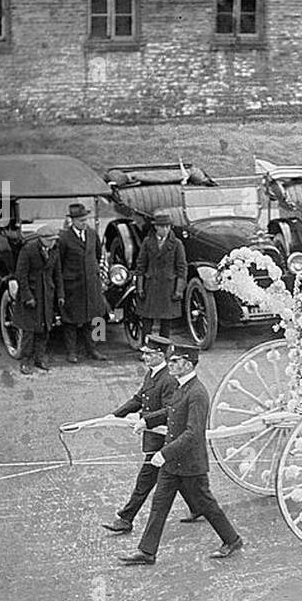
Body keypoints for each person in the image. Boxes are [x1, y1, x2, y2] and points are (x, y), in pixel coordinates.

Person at [118, 346, 243, 565]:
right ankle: (147, 552)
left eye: (175, 361)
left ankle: (232, 540)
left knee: (207, 504)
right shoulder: (182, 387)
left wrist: (164, 453)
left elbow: (194, 434)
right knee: (159, 505)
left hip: (190, 464)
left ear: (188, 363)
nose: (171, 364)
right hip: (173, 463)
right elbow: (171, 411)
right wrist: (147, 420)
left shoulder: (197, 393)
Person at [101, 334, 198, 535]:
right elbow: (138, 399)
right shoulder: (153, 374)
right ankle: (198, 507)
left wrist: (145, 421)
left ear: (160, 355)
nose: (144, 357)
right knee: (178, 478)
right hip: (155, 436)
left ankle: (126, 518)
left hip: (165, 440)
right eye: (144, 354)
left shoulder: (169, 380)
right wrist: (114, 415)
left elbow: (171, 411)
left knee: (145, 480)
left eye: (149, 354)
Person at [57, 202, 108, 363]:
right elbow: (59, 262)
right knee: (70, 320)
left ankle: (93, 349)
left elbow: (99, 255)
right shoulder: (64, 238)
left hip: (91, 285)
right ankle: (71, 352)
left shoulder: (92, 234)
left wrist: (98, 275)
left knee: (93, 318)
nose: (84, 223)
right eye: (80, 220)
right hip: (73, 286)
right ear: (72, 221)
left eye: (85, 220)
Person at [14, 223, 62, 375]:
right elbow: (21, 275)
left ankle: (39, 358)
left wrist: (60, 295)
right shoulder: (28, 250)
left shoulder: (54, 250)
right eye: (50, 240)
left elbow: (57, 274)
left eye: (54, 240)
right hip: (32, 296)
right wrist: (27, 296)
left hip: (47, 295)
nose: (53, 243)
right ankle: (25, 361)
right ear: (42, 239)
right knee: (29, 331)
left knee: (45, 329)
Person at [135, 209, 188, 338]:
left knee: (166, 323)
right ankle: (146, 349)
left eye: (167, 227)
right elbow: (141, 266)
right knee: (147, 321)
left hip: (168, 288)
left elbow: (182, 268)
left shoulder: (177, 244)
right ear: (155, 227)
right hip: (150, 287)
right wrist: (140, 287)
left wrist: (179, 290)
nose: (165, 230)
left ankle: (162, 350)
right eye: (161, 227)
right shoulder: (147, 243)